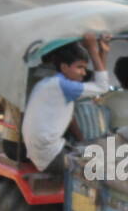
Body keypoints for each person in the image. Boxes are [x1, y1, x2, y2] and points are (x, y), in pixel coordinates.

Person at [23, 32, 110, 175]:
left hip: (44, 153)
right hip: (51, 156)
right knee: (105, 168)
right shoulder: (63, 87)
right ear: (64, 67)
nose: (83, 73)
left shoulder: (54, 83)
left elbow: (96, 87)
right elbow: (102, 86)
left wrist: (102, 53)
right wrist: (93, 50)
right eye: (80, 67)